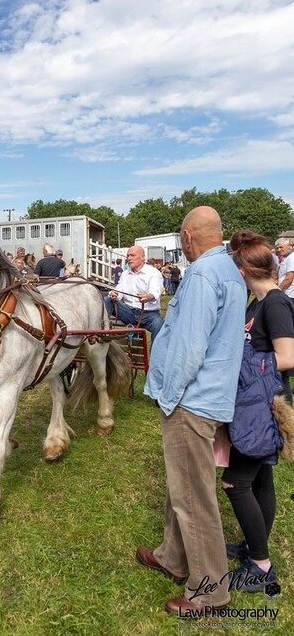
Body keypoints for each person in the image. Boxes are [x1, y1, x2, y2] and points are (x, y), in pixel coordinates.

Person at [139, 206, 246, 616]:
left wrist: (170, 395)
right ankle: (173, 556)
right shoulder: (226, 270)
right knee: (181, 484)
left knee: (194, 497)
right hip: (208, 397)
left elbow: (188, 348)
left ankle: (209, 592)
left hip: (191, 400)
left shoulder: (201, 274)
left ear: (186, 237)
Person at [221, 230, 294, 591]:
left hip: (265, 406)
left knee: (235, 482)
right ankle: (255, 547)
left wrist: (239, 361)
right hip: (252, 401)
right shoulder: (256, 302)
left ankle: (261, 568)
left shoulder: (276, 304)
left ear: (246, 269)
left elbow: (287, 357)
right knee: (261, 480)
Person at [104, 245, 164, 343]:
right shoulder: (125, 274)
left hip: (148, 314)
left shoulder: (153, 273)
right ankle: (101, 334)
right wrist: (116, 294)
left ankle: (155, 357)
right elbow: (120, 290)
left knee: (159, 324)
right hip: (129, 312)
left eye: (132, 255)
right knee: (108, 300)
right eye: (128, 256)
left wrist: (148, 296)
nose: (129, 258)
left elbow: (155, 291)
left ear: (143, 257)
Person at [276, 237, 294, 403]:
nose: (279, 250)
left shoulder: (292, 258)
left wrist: (277, 291)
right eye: (278, 248)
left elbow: (289, 278)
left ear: (289, 246)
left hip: (289, 298)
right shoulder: (286, 259)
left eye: (281, 247)